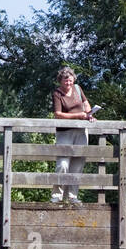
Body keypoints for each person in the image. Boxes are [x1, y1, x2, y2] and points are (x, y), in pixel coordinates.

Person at [52, 66, 95, 204]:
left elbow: (86, 105)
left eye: (70, 80)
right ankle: (57, 196)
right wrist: (78, 115)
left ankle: (72, 196)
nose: (68, 83)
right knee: (63, 164)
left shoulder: (77, 88)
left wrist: (89, 114)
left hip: (81, 131)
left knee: (78, 164)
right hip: (65, 132)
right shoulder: (57, 94)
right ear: (60, 81)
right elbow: (58, 114)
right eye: (66, 81)